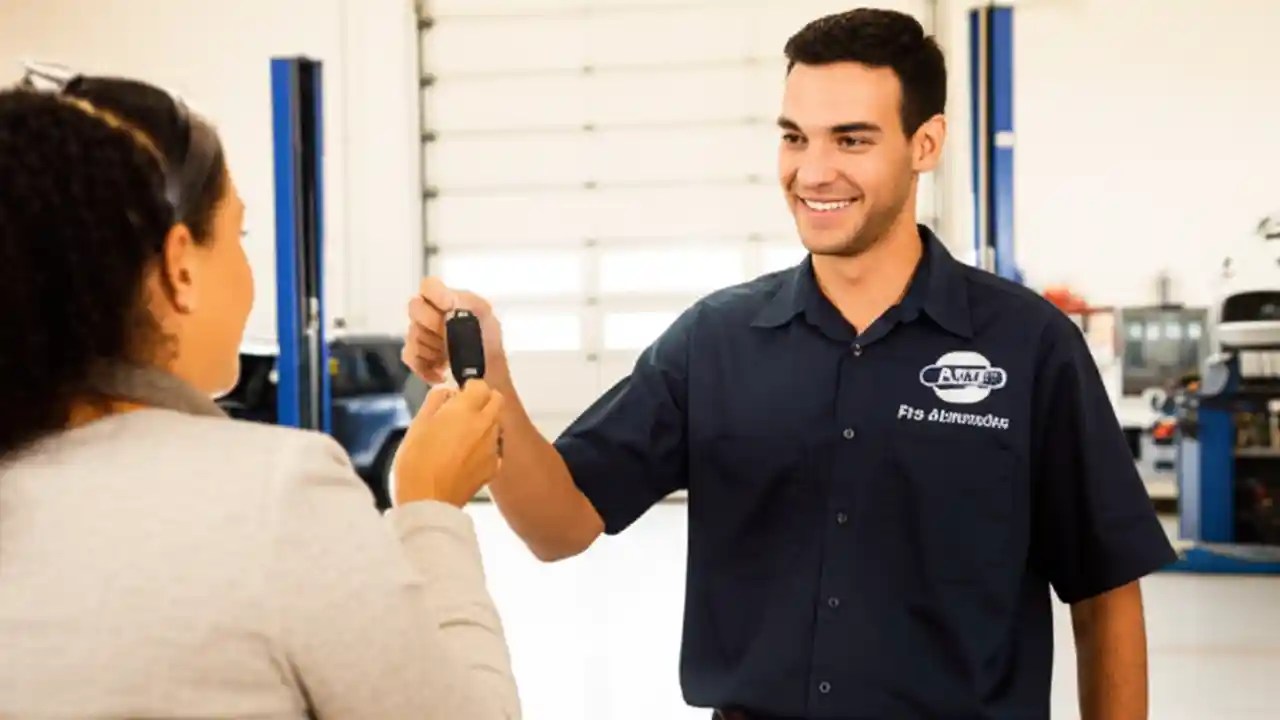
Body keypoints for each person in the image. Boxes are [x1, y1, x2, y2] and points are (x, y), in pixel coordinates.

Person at [405, 8, 1177, 720]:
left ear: (926, 144)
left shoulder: (1028, 346)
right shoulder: (715, 341)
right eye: (794, 136)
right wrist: (493, 378)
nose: (812, 172)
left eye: (851, 139)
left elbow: (1104, 594)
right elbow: (557, 525)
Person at [0, 71, 519, 719]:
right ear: (179, 264)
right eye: (238, 236)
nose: (248, 273)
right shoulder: (277, 494)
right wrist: (431, 510)